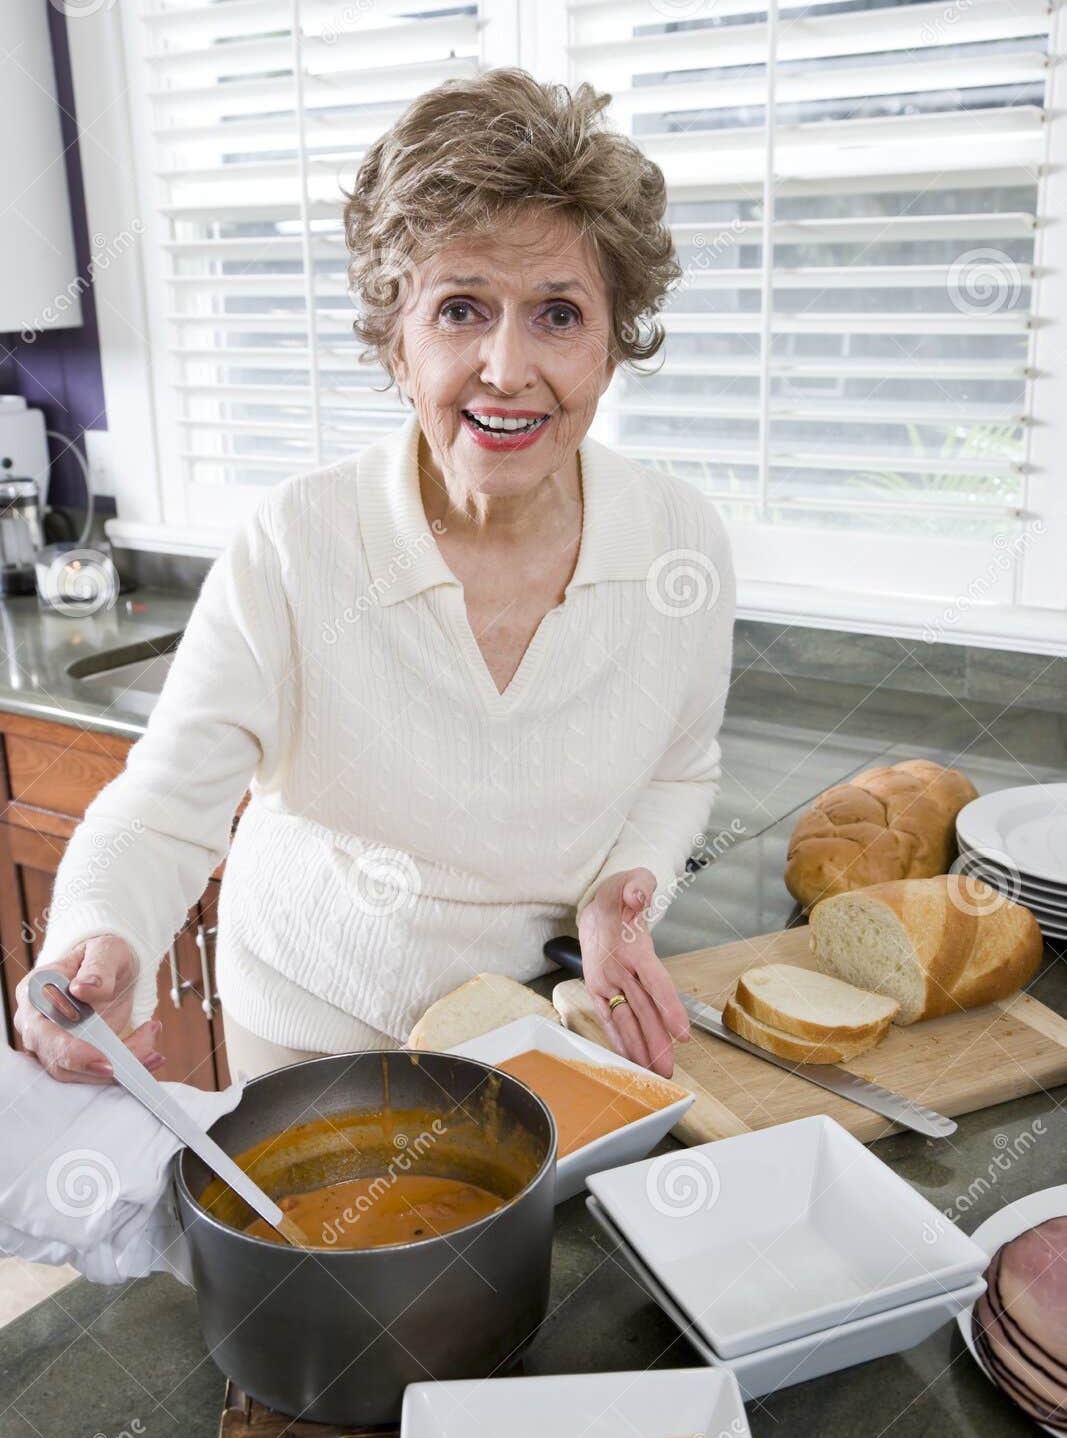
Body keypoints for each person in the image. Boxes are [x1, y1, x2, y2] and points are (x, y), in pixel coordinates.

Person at [15, 68, 734, 1087]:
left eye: (558, 314)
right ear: (395, 341)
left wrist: (623, 890)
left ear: (612, 344)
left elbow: (677, 769)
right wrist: (92, 932)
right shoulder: (296, 544)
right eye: (459, 309)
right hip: (313, 1022)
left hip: (540, 1029)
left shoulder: (678, 547)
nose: (504, 365)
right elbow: (163, 807)